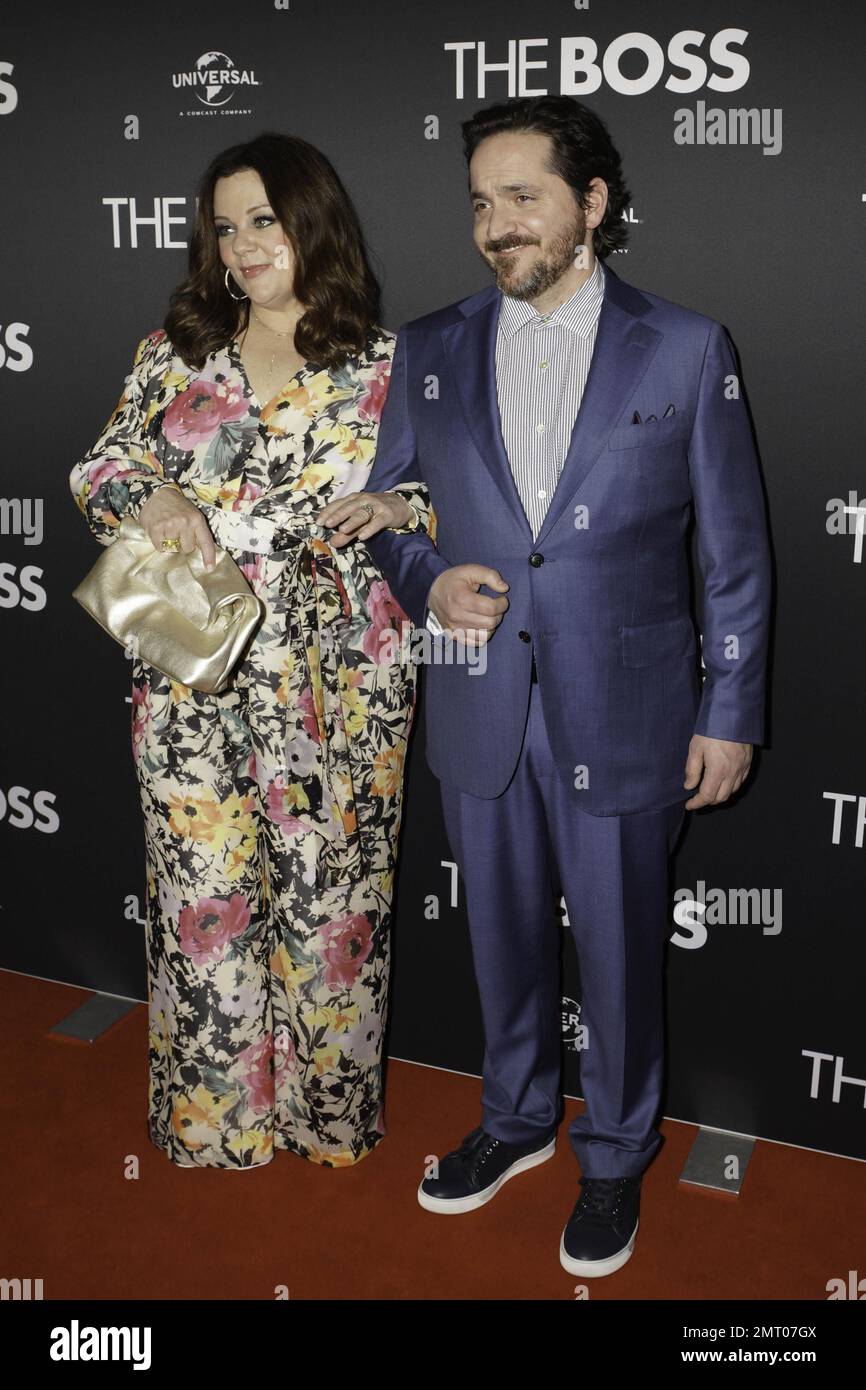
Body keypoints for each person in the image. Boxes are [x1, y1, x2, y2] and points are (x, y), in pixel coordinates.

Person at [324, 95, 772, 1275]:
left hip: (624, 709)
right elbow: (388, 512)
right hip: (478, 700)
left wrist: (727, 711)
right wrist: (422, 578)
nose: (495, 222)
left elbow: (732, 553)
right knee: (499, 941)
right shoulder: (427, 348)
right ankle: (516, 1121)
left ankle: (616, 1155)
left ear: (591, 204)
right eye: (479, 200)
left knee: (621, 953)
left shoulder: (682, 345)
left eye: (521, 195)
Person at [69, 131, 432, 1170]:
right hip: (190, 668)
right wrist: (157, 491)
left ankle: (325, 1120)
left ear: (313, 219)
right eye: (225, 226)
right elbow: (100, 468)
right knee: (199, 892)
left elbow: (453, 499)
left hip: (341, 685)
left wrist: (397, 502)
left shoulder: (393, 364)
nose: (243, 244)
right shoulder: (174, 351)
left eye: (263, 218)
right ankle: (216, 1121)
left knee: (334, 901)